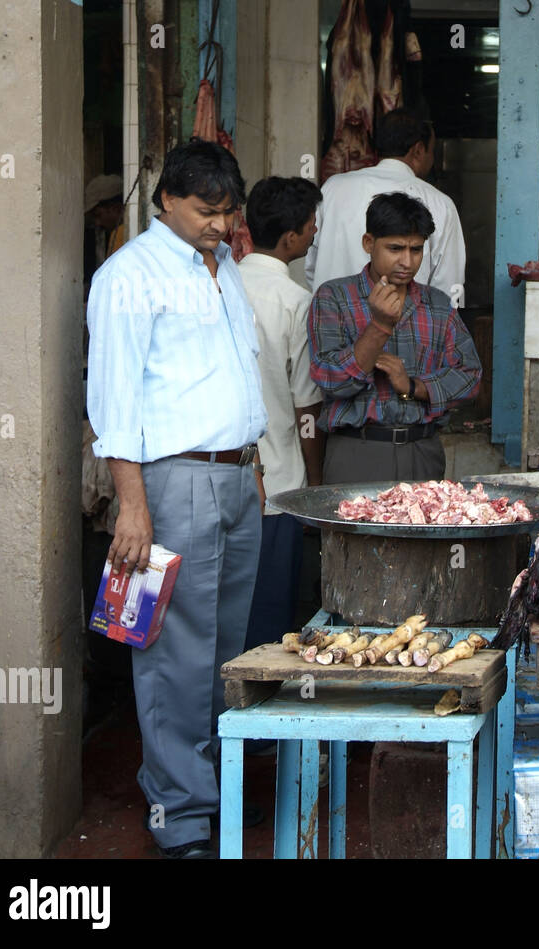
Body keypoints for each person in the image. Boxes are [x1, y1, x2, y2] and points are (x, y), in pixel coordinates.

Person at [87, 139, 268, 859]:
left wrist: (251, 464)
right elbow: (114, 400)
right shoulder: (128, 275)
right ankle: (181, 813)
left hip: (234, 476)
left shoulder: (223, 266)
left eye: (228, 211)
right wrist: (131, 504)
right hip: (173, 480)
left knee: (225, 648)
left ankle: (210, 788)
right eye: (206, 211)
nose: (220, 225)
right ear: (166, 200)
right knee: (173, 652)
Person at [308, 191, 482, 484]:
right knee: (356, 529)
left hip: (422, 450)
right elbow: (331, 380)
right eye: (395, 248)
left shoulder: (437, 305)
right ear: (368, 243)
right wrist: (379, 326)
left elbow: (470, 376)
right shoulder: (333, 297)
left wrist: (414, 386)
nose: (407, 261)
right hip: (357, 450)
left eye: (416, 249)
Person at [238, 176, 326, 653]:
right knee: (271, 622)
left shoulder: (222, 284)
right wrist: (315, 483)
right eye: (311, 225)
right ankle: (259, 725)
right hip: (279, 487)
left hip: (230, 486)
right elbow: (306, 405)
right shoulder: (295, 301)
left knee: (230, 615)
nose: (315, 234)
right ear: (291, 237)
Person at [306, 109, 465, 299]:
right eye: (432, 151)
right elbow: (448, 287)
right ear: (419, 150)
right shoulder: (440, 203)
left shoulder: (332, 189)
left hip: (331, 320)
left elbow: (310, 266)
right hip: (407, 327)